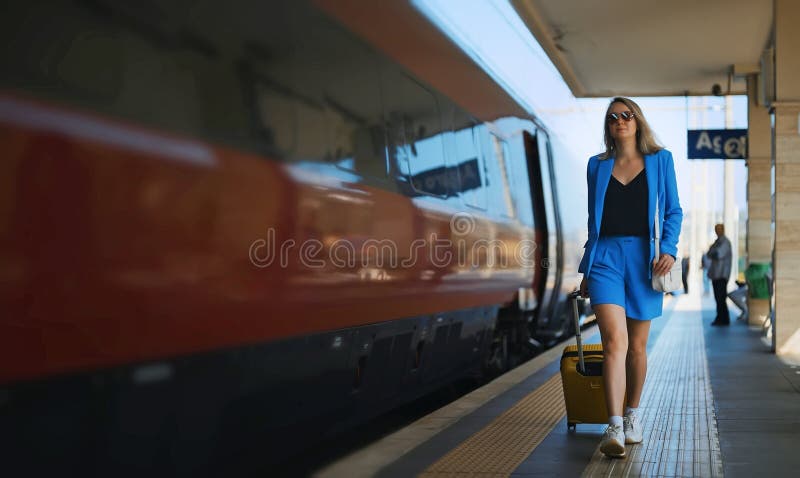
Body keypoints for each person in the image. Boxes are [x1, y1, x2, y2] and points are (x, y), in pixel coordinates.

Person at [578, 97, 682, 458]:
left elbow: (673, 210)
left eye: (627, 115)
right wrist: (587, 268)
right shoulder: (596, 165)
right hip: (605, 258)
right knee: (613, 342)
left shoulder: (660, 160)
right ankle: (614, 426)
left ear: (638, 121)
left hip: (645, 260)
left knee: (637, 346)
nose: (620, 121)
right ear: (608, 126)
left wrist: (669, 249)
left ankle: (632, 414)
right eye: (613, 117)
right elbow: (593, 220)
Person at [706, 224, 732, 326]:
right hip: (716, 275)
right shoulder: (717, 242)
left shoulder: (725, 242)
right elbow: (709, 254)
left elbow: (717, 254)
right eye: (716, 229)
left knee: (721, 298)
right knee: (718, 298)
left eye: (719, 229)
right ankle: (720, 317)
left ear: (723, 230)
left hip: (722, 275)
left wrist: (713, 252)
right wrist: (713, 252)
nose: (717, 231)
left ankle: (724, 319)